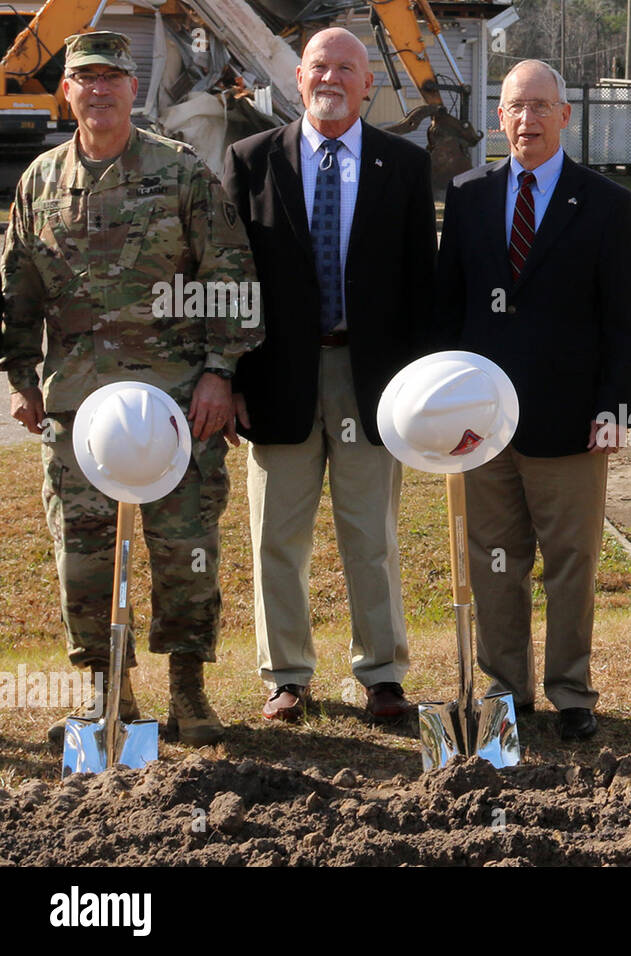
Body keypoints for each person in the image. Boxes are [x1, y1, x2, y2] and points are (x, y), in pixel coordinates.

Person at [1, 31, 261, 747]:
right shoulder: (41, 182)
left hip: (176, 408)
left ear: (130, 89)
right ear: (67, 93)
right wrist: (22, 378)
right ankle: (104, 690)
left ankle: (189, 691)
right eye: (86, 79)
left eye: (114, 77)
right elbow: (16, 295)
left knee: (185, 553)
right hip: (77, 413)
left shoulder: (179, 173)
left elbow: (232, 279)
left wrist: (219, 374)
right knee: (81, 559)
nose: (101, 89)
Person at [222, 28, 437, 724]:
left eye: (348, 67)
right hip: (276, 378)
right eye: (320, 66)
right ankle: (287, 676)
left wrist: (417, 387)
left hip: (367, 379)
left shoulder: (402, 167)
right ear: (297, 78)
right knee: (275, 538)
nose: (332, 78)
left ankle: (381, 675)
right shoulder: (249, 161)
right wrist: (228, 378)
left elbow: (419, 284)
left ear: (368, 83)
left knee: (369, 534)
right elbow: (230, 282)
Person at [436, 59, 631, 742]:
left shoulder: (607, 204)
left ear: (565, 115)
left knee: (570, 564)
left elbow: (625, 319)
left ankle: (571, 690)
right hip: (483, 427)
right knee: (495, 562)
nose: (527, 120)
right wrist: (444, 408)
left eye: (540, 106)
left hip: (572, 420)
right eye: (514, 106)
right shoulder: (467, 196)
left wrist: (615, 408)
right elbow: (450, 310)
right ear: (500, 117)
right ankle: (506, 693)